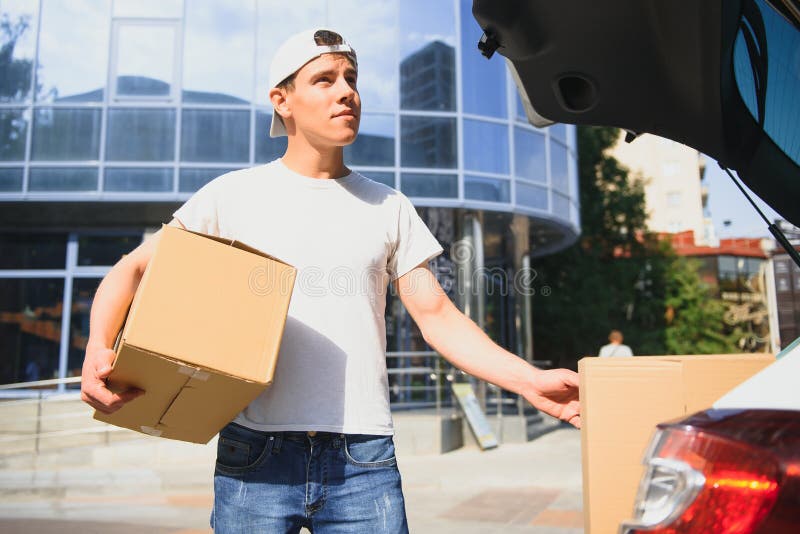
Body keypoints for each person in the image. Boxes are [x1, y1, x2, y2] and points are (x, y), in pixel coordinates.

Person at [80, 28, 580, 533]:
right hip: (255, 455)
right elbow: (134, 268)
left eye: (352, 79)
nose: (347, 92)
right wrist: (99, 348)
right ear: (283, 101)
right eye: (324, 79)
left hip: (362, 462)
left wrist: (531, 383)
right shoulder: (232, 196)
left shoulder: (390, 207)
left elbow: (438, 318)